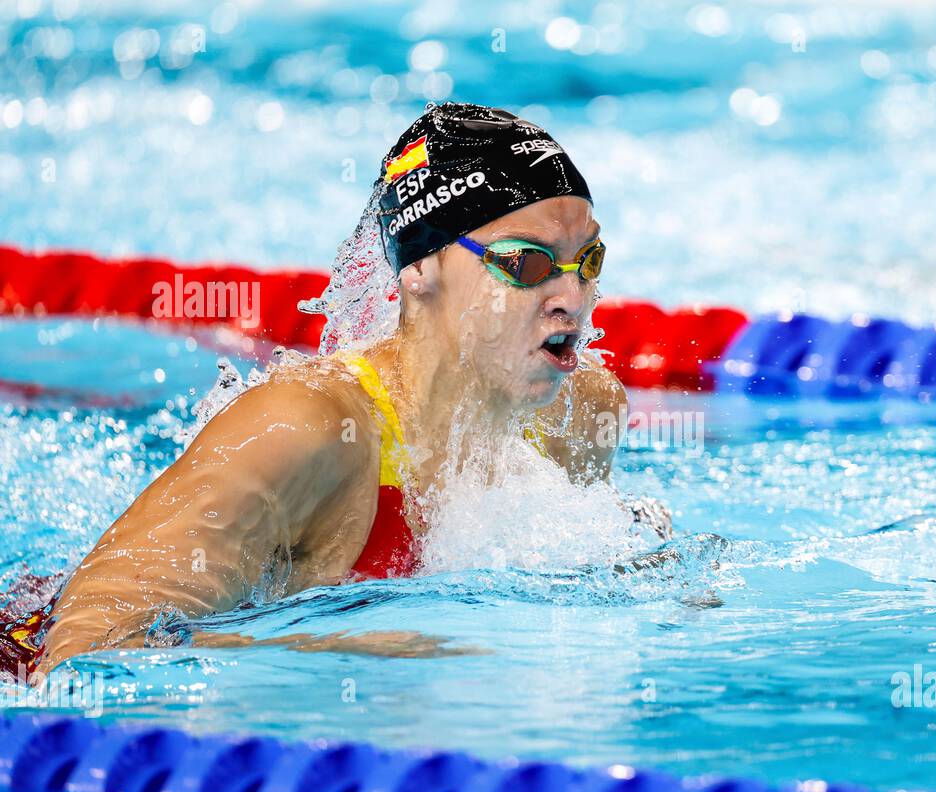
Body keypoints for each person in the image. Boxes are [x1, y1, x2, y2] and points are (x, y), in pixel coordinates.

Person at [2, 103, 665, 683]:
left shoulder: (582, 413)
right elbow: (86, 652)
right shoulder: (308, 428)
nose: (573, 300)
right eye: (526, 263)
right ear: (420, 268)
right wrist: (330, 648)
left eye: (589, 263)